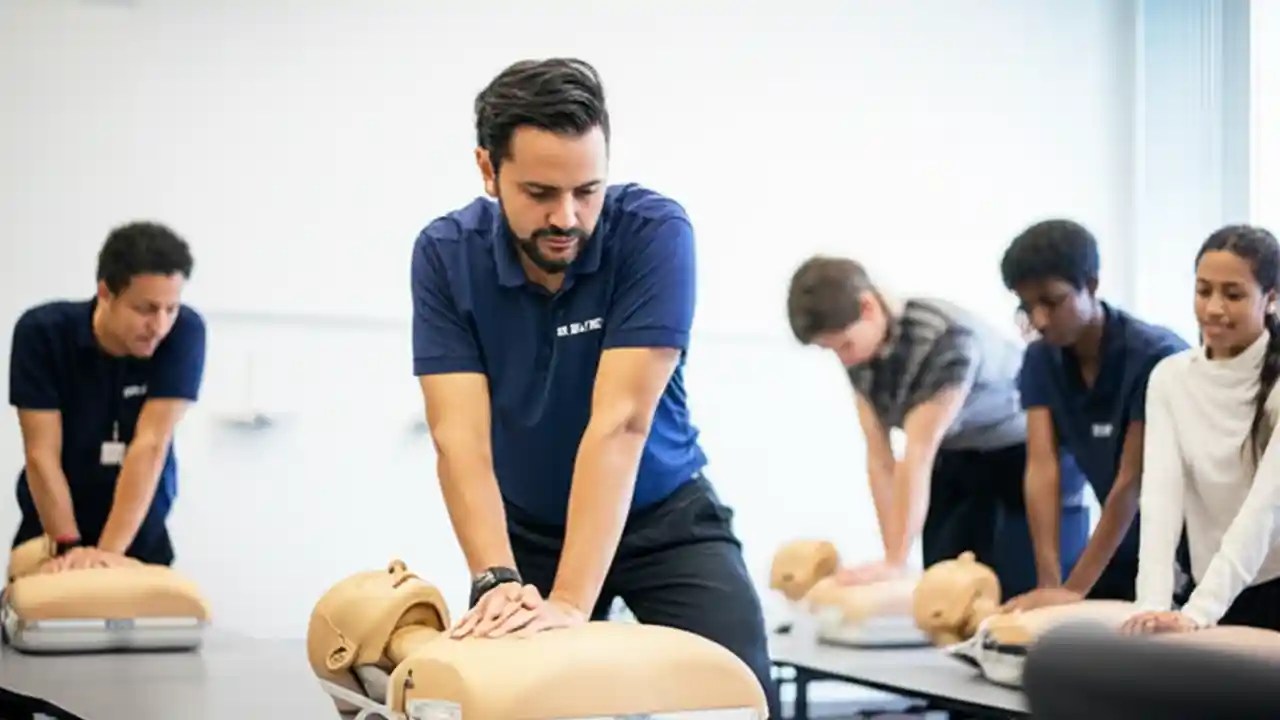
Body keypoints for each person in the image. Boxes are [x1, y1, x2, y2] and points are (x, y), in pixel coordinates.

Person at [410, 58, 779, 715]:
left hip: (664, 516)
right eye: (540, 193)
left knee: (738, 693)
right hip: (528, 532)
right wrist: (496, 579)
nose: (567, 217)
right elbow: (458, 439)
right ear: (488, 170)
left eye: (587, 190)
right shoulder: (446, 254)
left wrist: (570, 605)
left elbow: (621, 424)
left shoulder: (653, 233)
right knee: (509, 699)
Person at [786, 256, 1090, 600]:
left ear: (868, 307)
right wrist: (892, 560)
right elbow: (880, 458)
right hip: (960, 452)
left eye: (844, 345)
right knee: (944, 590)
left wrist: (895, 560)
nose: (843, 358)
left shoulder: (945, 339)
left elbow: (917, 453)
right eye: (831, 350)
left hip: (1029, 449)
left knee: (1019, 588)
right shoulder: (860, 354)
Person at [997, 219, 1189, 611]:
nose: (1039, 320)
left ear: (1092, 285)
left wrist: (1072, 592)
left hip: (1188, 549)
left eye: (1052, 302)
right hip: (1122, 547)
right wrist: (1049, 583)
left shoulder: (1155, 356)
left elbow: (1131, 482)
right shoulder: (1041, 358)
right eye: (1027, 307)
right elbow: (1042, 468)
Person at [8, 221, 205, 571]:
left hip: (138, 527)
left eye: (171, 308)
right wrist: (67, 547)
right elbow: (41, 453)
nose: (159, 327)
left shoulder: (185, 332)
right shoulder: (42, 333)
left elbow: (151, 444)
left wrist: (107, 556)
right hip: (52, 522)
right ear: (105, 293)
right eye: (145, 309)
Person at [1123, 224, 1280, 635]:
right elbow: (1161, 499)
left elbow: (1264, 510)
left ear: (1271, 298)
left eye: (1233, 295)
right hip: (1208, 584)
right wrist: (1152, 605)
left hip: (1265, 583)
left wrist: (1199, 613)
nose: (1213, 308)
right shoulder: (1170, 378)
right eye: (1203, 290)